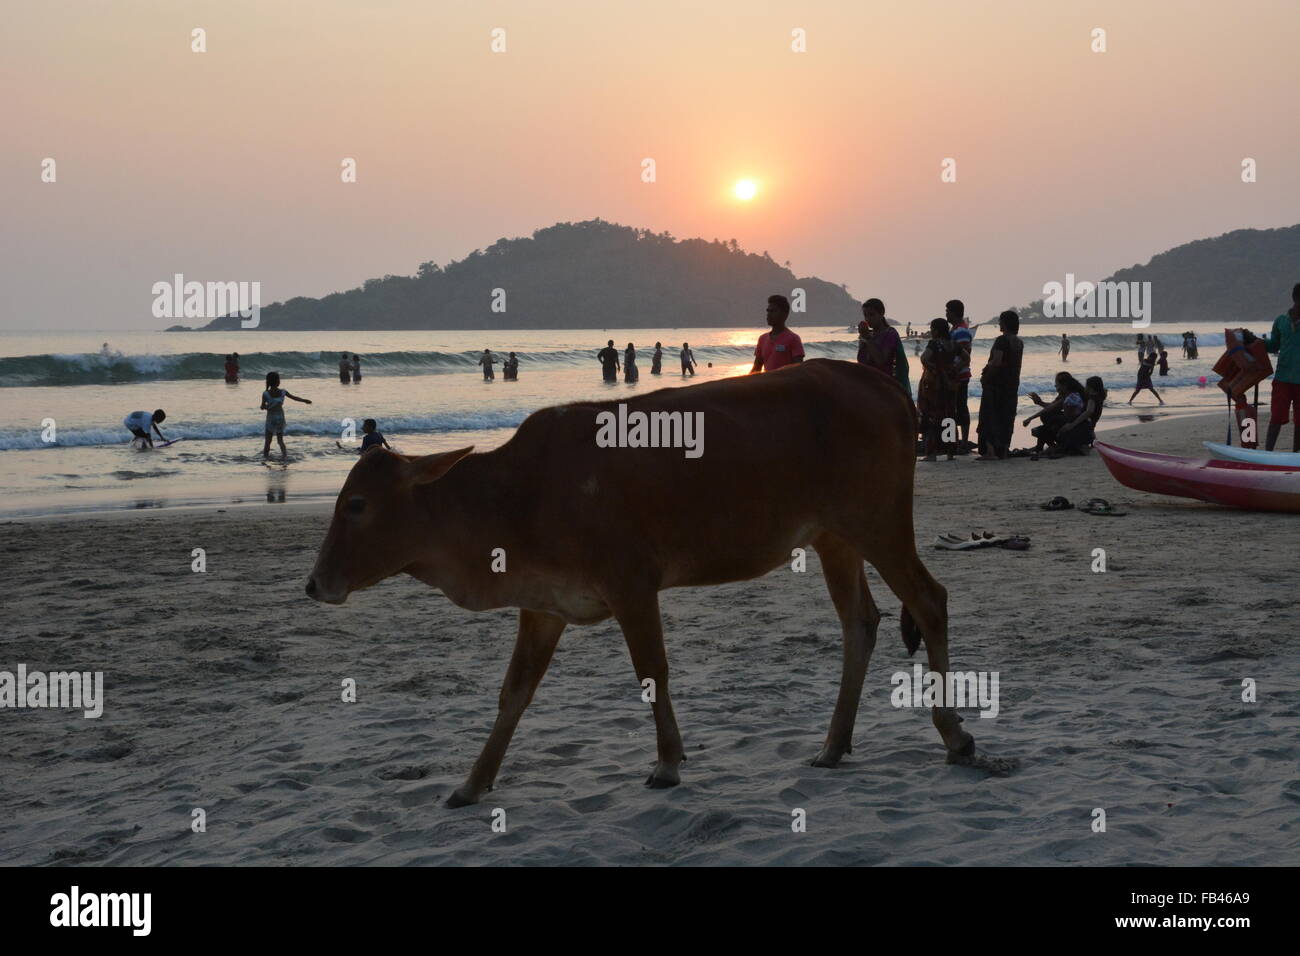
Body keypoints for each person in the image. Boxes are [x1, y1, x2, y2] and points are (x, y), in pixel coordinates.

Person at [975, 310, 1023, 460]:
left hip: (996, 384)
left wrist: (986, 378)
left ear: (1005, 323)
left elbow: (996, 362)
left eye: (1000, 321)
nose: (999, 324)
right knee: (1006, 417)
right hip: (1011, 384)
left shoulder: (1001, 341)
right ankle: (1003, 450)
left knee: (989, 416)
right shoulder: (1018, 342)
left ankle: (990, 451)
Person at [1262, 283, 1300, 452]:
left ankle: (1296, 456)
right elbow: (1273, 346)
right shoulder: (1281, 321)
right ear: (1295, 299)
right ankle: (1267, 453)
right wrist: (1254, 341)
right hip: (1282, 377)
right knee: (1276, 417)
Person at [917, 318, 960, 461]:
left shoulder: (934, 343)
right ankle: (950, 452)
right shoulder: (953, 344)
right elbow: (966, 358)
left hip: (933, 385)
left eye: (931, 329)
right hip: (950, 384)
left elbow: (924, 358)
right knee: (949, 415)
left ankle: (931, 453)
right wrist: (953, 369)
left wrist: (934, 370)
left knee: (931, 416)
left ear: (936, 330)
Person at [1024, 372, 1085, 459]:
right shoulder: (1069, 394)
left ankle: (1052, 446)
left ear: (1064, 385)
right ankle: (1043, 446)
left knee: (1045, 423)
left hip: (1074, 426)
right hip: (1074, 423)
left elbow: (1053, 408)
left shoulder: (1070, 397)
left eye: (1057, 385)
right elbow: (1053, 406)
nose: (1055, 387)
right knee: (1045, 423)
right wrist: (1039, 402)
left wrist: (1030, 418)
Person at [945, 300, 979, 452]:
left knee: (960, 408)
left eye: (947, 311)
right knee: (952, 408)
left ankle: (962, 442)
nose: (946, 313)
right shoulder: (956, 329)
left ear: (953, 312)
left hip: (959, 375)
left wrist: (953, 370)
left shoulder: (961, 331)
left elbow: (965, 356)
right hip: (955, 374)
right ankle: (953, 441)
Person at [1051, 376, 1107, 456]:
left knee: (1058, 424)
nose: (1085, 387)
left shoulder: (1092, 398)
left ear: (1091, 387)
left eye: (1087, 385)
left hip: (1084, 425)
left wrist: (1072, 424)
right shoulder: (1100, 397)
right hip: (1090, 426)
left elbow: (1089, 411)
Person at [261, 371, 311, 459]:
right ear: (278, 381)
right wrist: (304, 400)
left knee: (268, 441)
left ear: (268, 381)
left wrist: (265, 407)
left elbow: (262, 407)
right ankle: (284, 457)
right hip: (280, 418)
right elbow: (294, 398)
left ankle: (265, 458)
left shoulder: (265, 394)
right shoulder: (283, 392)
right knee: (280, 441)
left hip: (271, 418)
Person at [751, 294, 805, 373]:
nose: (769, 314)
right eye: (768, 311)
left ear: (784, 314)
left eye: (773, 311)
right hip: (767, 384)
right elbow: (756, 368)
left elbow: (799, 370)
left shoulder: (793, 339)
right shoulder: (762, 339)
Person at [856, 298, 900, 378]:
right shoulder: (867, 334)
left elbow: (881, 361)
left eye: (872, 315)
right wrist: (863, 338)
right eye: (865, 315)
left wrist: (867, 338)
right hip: (866, 380)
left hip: (884, 382)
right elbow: (861, 361)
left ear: (881, 313)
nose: (868, 319)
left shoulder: (890, 333)